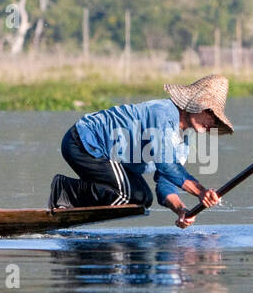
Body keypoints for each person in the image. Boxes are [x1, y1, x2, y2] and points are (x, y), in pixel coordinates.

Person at [48, 74, 233, 228]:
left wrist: (181, 210)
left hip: (107, 156)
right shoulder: (163, 113)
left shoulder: (185, 139)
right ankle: (65, 191)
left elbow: (165, 179)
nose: (211, 122)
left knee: (142, 199)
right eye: (209, 113)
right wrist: (200, 191)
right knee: (129, 196)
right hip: (83, 141)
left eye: (216, 121)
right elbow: (166, 164)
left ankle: (68, 194)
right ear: (193, 104)